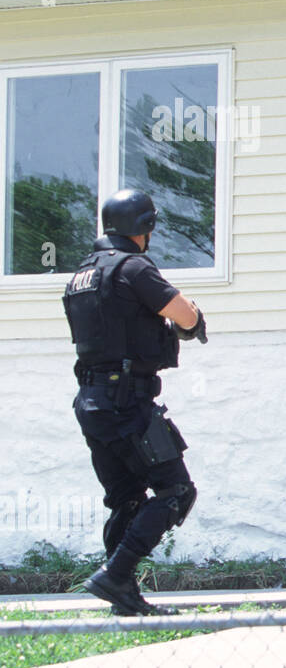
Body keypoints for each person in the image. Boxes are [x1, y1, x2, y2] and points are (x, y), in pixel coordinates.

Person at [62, 189, 206, 616]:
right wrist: (193, 316)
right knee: (175, 490)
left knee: (126, 498)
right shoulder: (133, 266)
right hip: (128, 402)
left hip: (91, 401)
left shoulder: (82, 274)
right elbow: (185, 316)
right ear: (144, 228)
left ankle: (123, 595)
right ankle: (116, 573)